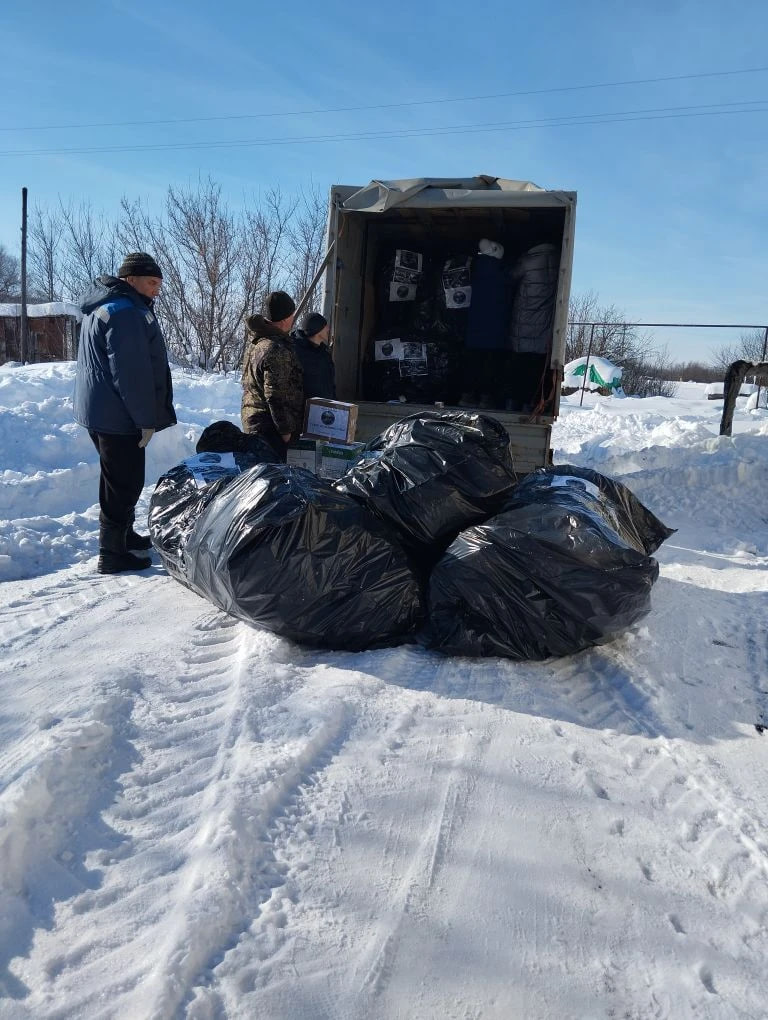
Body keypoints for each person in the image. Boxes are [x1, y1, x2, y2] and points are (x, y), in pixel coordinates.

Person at [74, 252, 177, 574]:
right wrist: (145, 420)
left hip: (102, 410)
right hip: (119, 415)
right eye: (151, 282)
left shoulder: (106, 306)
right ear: (130, 280)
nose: (156, 290)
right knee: (124, 483)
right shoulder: (126, 313)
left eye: (159, 284)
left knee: (118, 479)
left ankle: (124, 536)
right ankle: (112, 552)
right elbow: (131, 374)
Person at [241, 291, 303, 460]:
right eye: (292, 314)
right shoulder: (276, 348)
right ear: (285, 319)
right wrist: (285, 431)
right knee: (272, 475)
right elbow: (275, 395)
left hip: (255, 422)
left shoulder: (258, 342)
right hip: (270, 430)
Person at [290, 311, 336, 404]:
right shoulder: (295, 351)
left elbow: (330, 385)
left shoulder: (325, 354)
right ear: (317, 329)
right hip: (302, 409)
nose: (328, 329)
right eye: (325, 326)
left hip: (325, 409)